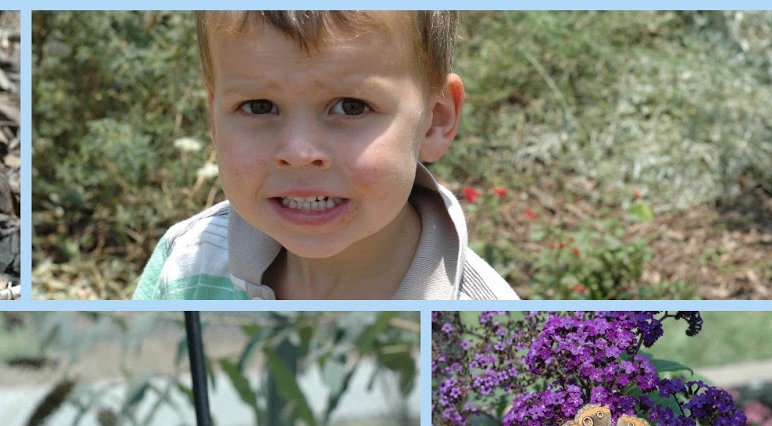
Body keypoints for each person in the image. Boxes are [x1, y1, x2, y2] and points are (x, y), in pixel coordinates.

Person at [134, 10, 517, 300]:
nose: (299, 153)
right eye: (258, 106)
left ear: (435, 119)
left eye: (351, 107)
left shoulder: (481, 312)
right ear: (214, 119)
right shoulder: (184, 260)